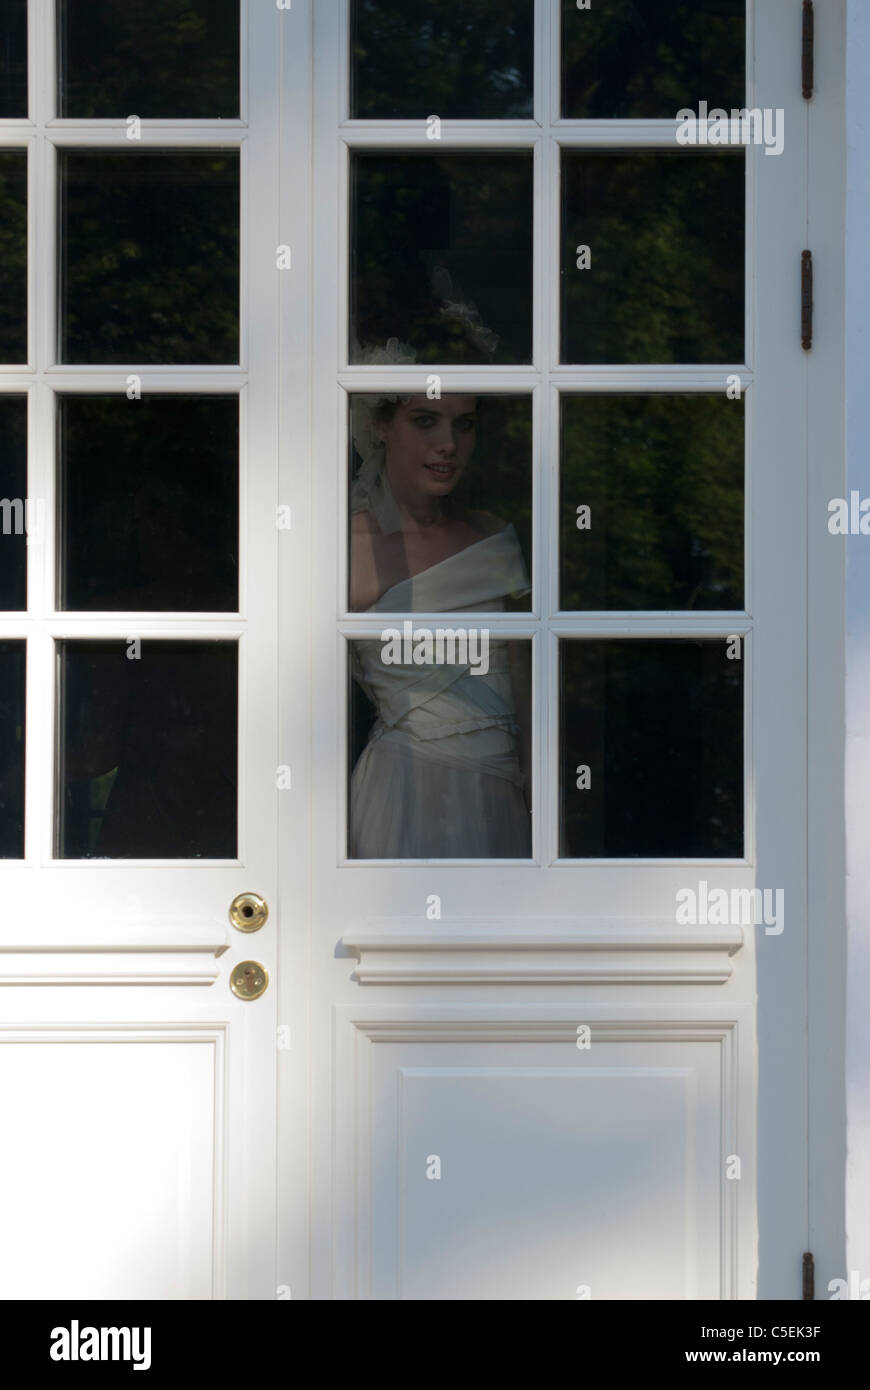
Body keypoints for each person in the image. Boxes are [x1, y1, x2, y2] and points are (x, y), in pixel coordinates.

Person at [347, 352, 531, 859]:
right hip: (407, 788)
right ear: (381, 424)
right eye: (425, 421)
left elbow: (525, 685)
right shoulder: (351, 547)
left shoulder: (491, 538)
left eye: (464, 425)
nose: (448, 444)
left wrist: (544, 801)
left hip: (502, 790)